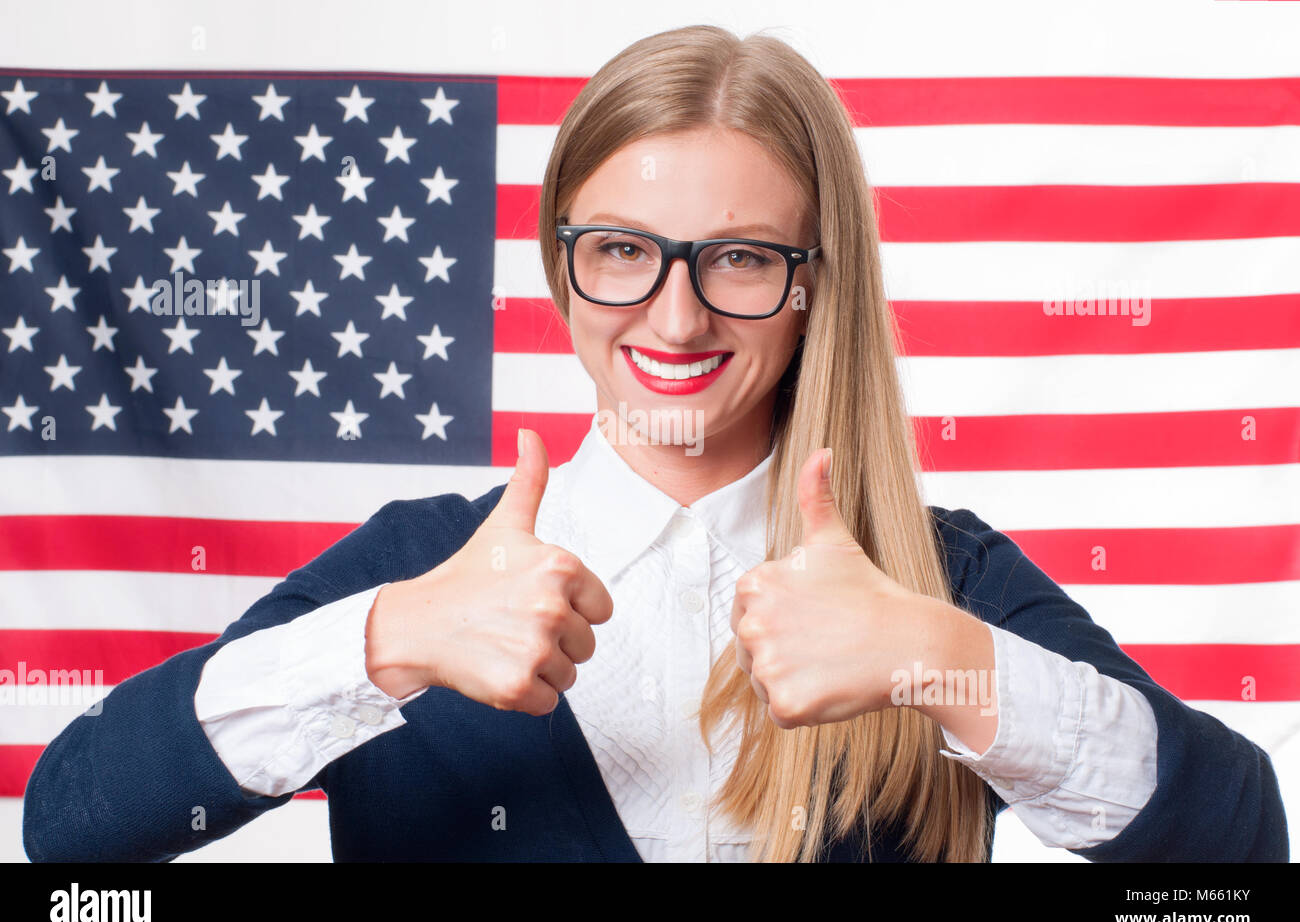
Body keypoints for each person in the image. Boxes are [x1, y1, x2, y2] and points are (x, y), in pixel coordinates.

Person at [23, 24, 1287, 863]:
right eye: (623, 250)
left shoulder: (935, 576)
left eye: (739, 258)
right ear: (561, 265)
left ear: (811, 285)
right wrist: (383, 639)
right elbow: (75, 836)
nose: (674, 316)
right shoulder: (418, 567)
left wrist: (947, 662)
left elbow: (1233, 853)